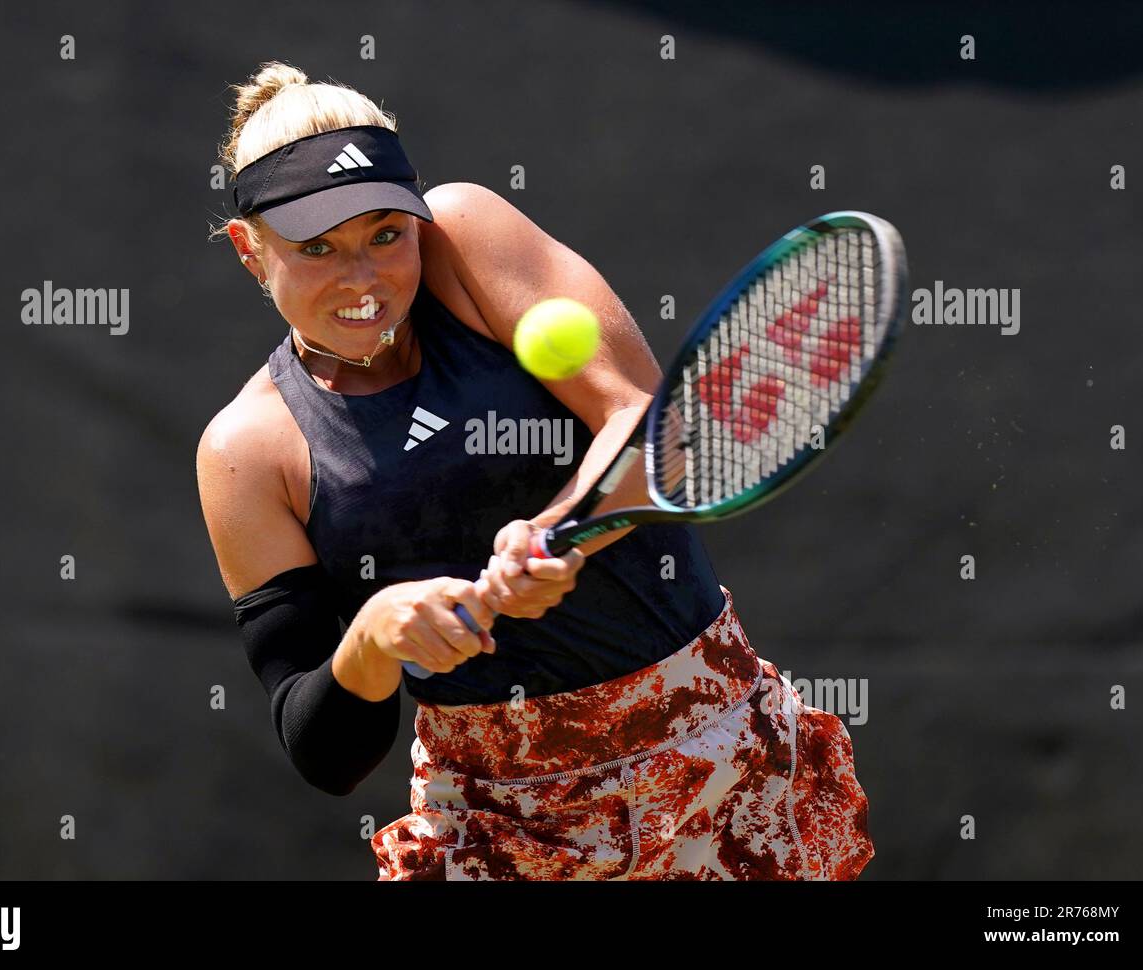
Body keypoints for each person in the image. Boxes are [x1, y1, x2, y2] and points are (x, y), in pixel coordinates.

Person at [197, 61, 874, 880]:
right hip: (495, 830)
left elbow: (652, 426)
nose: (363, 280)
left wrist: (557, 532)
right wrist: (373, 640)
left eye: (386, 234)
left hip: (718, 765)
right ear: (249, 251)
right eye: (316, 249)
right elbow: (327, 753)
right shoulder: (246, 451)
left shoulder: (466, 233)